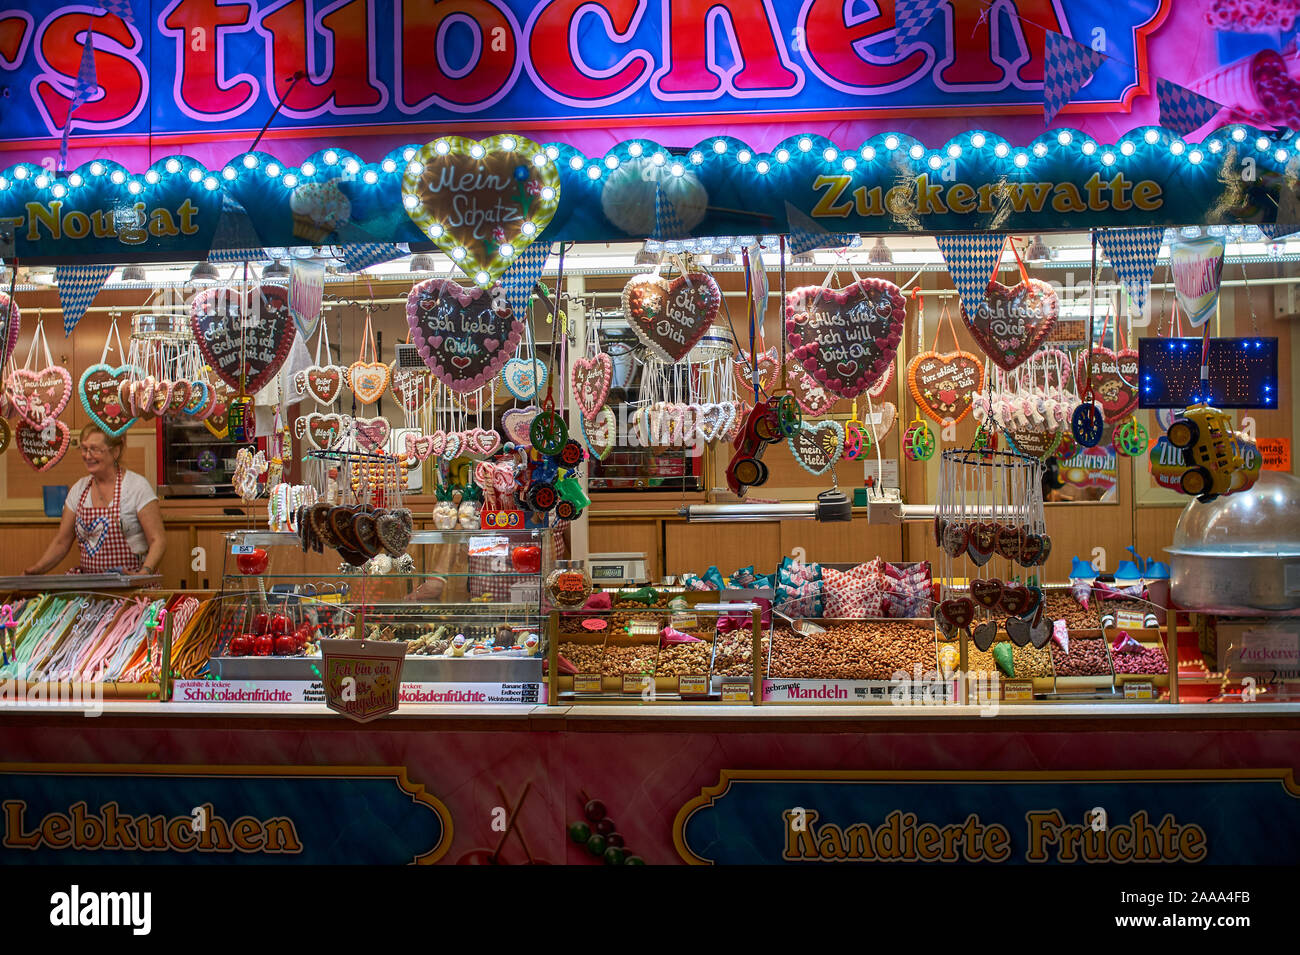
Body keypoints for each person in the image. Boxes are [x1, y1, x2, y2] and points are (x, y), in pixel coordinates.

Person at [24, 424, 165, 577]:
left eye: (95, 449)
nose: (87, 455)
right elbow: (62, 542)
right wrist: (36, 570)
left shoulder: (137, 487)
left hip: (132, 587)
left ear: (115, 452)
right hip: (91, 588)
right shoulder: (79, 489)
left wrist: (145, 572)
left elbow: (158, 540)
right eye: (84, 449)